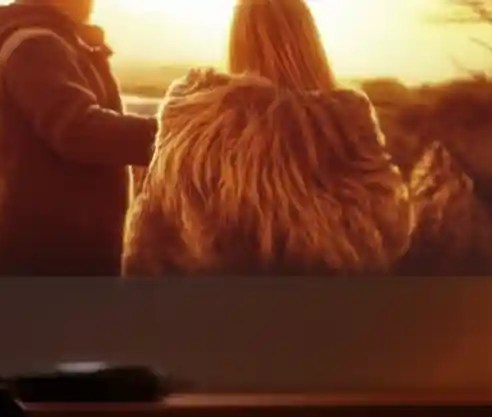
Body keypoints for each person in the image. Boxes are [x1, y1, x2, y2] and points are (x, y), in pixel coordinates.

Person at [122, 0, 412, 276]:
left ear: (236, 45)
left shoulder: (191, 136)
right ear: (311, 46)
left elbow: (149, 252)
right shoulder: (348, 132)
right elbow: (390, 234)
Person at [0, 0, 157, 276]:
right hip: (49, 257)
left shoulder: (58, 41)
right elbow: (79, 131)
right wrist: (177, 136)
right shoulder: (34, 46)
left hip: (69, 248)